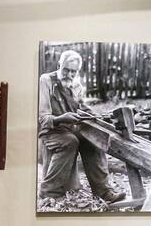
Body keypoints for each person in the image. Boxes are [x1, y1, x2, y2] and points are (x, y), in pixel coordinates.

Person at [38, 50, 126, 204]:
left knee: (93, 140)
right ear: (59, 65)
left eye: (73, 71)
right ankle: (48, 191)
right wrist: (60, 118)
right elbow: (42, 117)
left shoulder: (76, 84)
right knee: (70, 141)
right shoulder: (46, 80)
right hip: (50, 130)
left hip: (70, 128)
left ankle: (104, 192)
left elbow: (81, 106)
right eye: (66, 69)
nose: (69, 74)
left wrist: (93, 114)